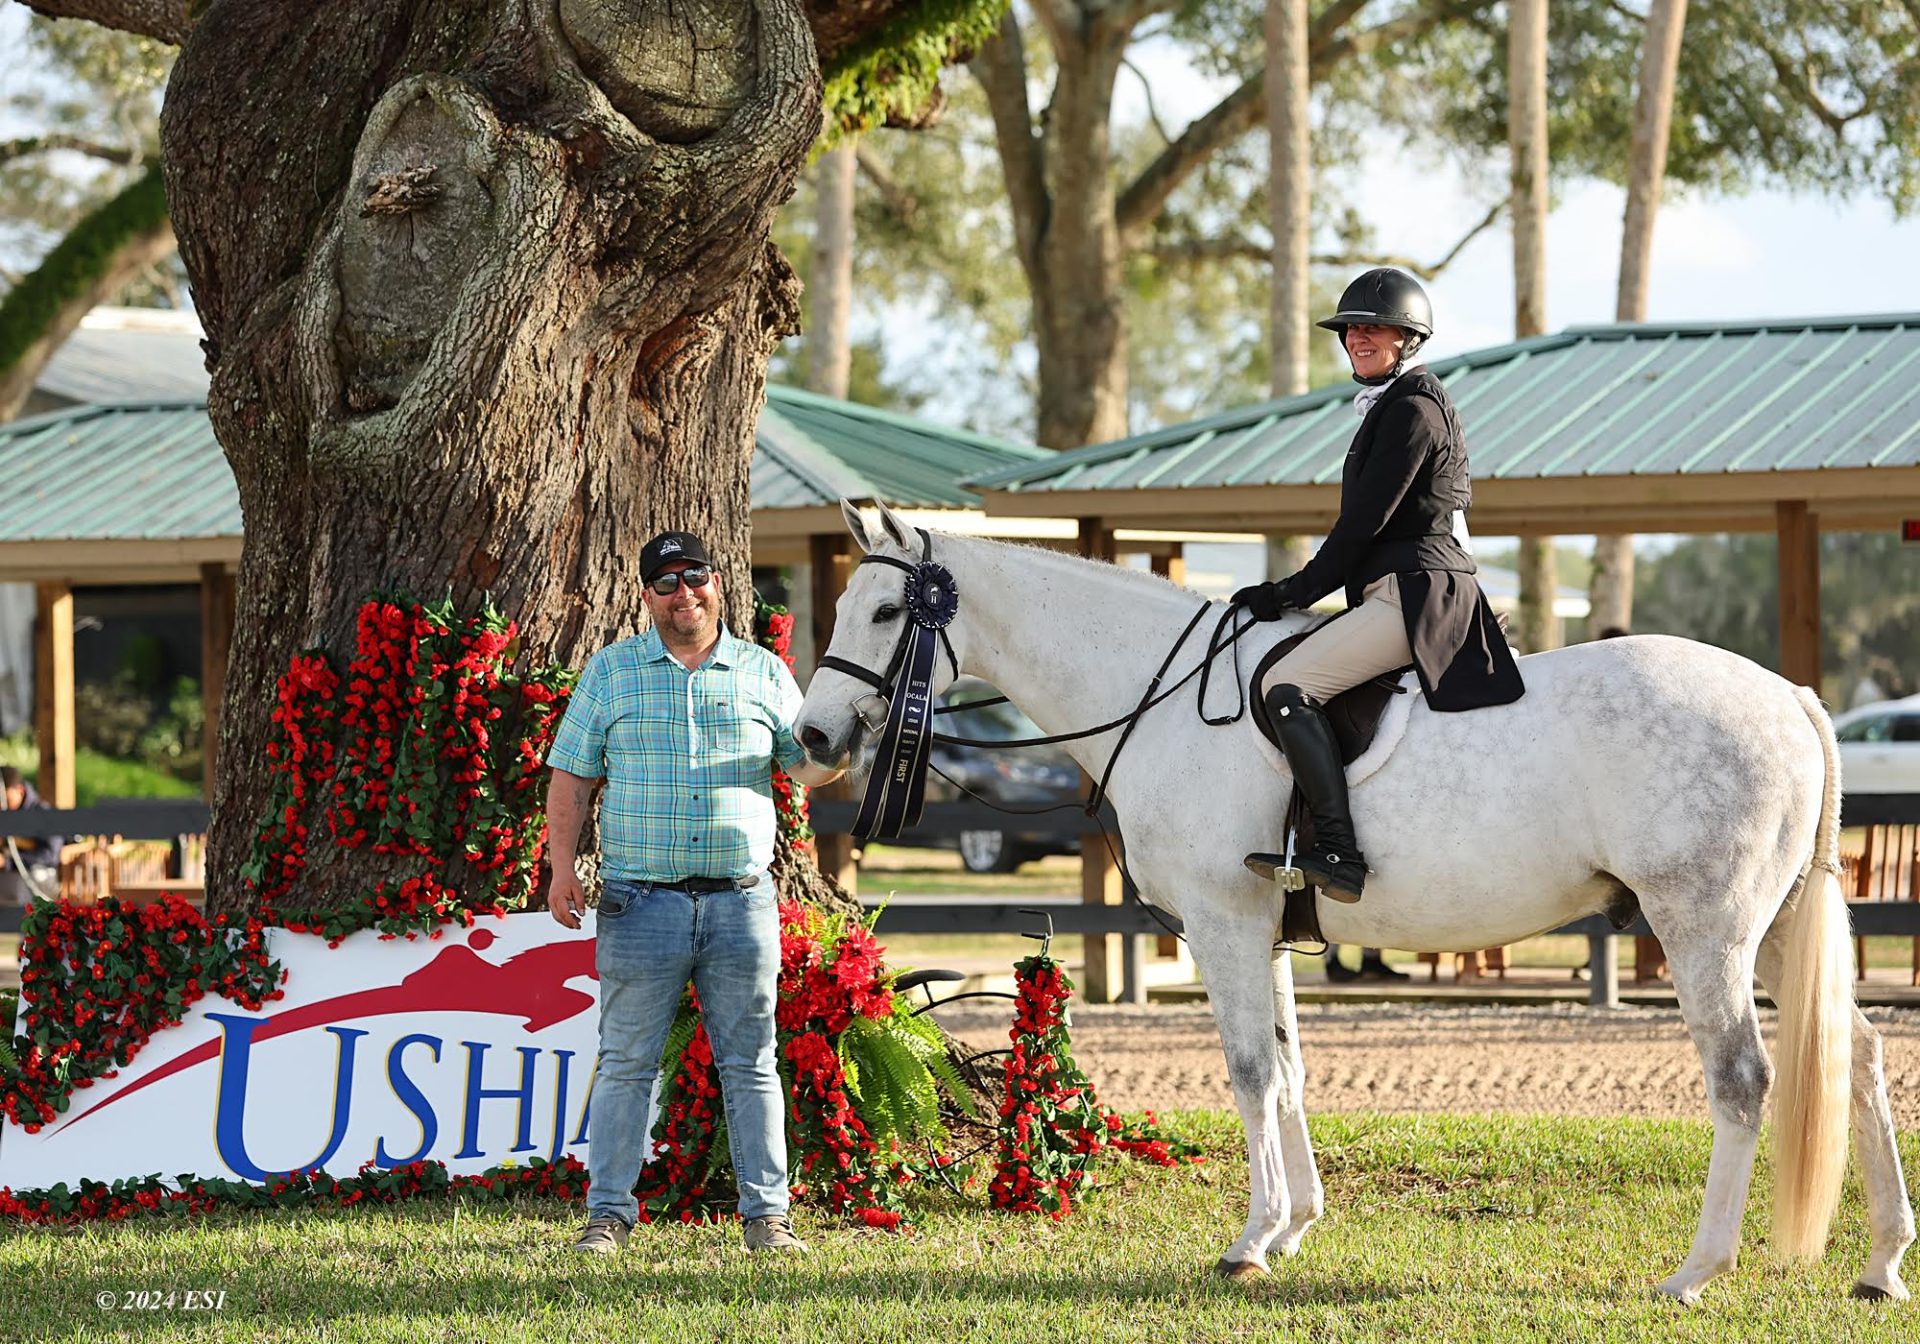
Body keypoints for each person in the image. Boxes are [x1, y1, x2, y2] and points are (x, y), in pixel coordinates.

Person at [545, 529, 845, 1256]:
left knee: (752, 1063)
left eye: (696, 578)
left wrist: (841, 751)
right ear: (646, 596)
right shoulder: (612, 672)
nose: (685, 594)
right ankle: (607, 1216)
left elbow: (805, 770)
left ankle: (767, 1218)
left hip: (741, 902)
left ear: (719, 582)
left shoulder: (764, 672)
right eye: (667, 583)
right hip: (637, 900)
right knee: (625, 1063)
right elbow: (571, 780)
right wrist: (560, 869)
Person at [1235, 268, 1524, 904]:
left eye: (1376, 328)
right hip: (1400, 588)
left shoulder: (1413, 411)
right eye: (1352, 329)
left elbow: (1360, 528)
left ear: (1408, 338)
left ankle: (1337, 850)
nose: (1360, 337)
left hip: (1417, 593)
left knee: (1286, 686)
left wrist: (1290, 593)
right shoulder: (1394, 406)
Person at [0, 766, 60, 905]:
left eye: (5, 799)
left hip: (40, 876)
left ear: (20, 791)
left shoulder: (43, 814)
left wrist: (7, 863)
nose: (2, 805)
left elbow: (49, 855)